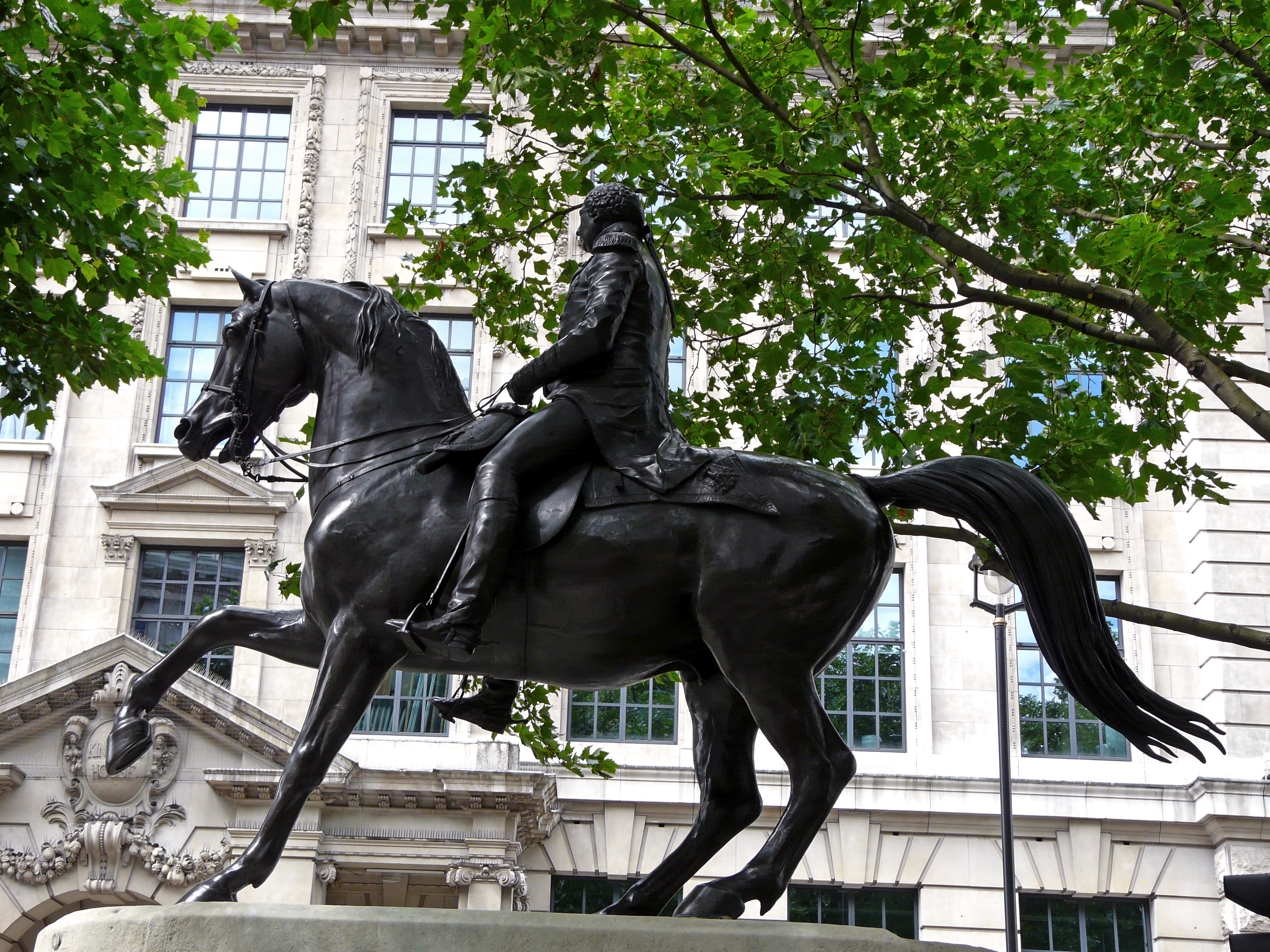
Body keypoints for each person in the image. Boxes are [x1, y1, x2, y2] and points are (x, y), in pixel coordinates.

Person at [388, 184, 709, 687]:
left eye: (582, 219)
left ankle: (463, 617)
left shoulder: (616, 257)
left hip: (603, 407)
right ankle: (497, 688)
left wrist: (527, 376)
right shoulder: (643, 261)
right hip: (610, 404)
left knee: (498, 468)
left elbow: (594, 335)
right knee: (533, 497)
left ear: (599, 218)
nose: (579, 230)